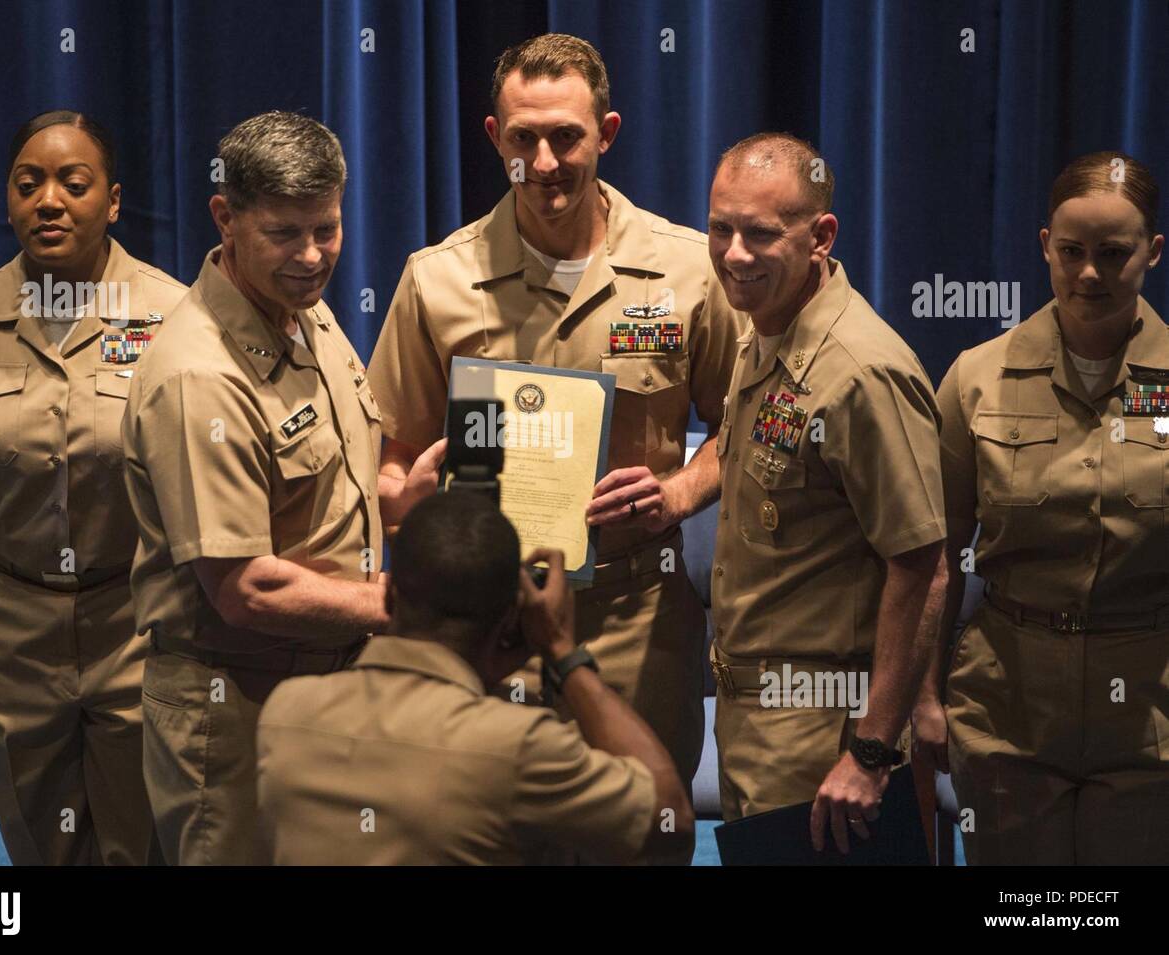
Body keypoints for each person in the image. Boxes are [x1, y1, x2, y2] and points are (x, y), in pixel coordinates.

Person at [368, 34, 744, 817]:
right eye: (522, 139)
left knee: (644, 828)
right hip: (483, 627)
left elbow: (742, 431)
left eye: (566, 137)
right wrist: (412, 497)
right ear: (492, 137)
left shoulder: (687, 270)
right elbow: (390, 461)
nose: (543, 163)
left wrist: (677, 495)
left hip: (639, 617)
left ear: (606, 133)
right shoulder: (436, 278)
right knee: (491, 838)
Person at [122, 111, 440, 865]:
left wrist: (400, 501)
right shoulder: (200, 375)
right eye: (285, 233)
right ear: (225, 218)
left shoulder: (303, 310)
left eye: (326, 228)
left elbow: (318, 495)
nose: (312, 255)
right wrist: (414, 602)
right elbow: (245, 588)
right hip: (237, 712)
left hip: (331, 686)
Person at [0, 110, 187, 864]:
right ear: (10, 200)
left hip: (135, 624)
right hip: (9, 626)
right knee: (40, 845)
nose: (49, 200)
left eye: (73, 182)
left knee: (142, 841)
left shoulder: (175, 315)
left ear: (113, 201)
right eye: (29, 184)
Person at [921, 151, 1169, 864]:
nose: (1089, 272)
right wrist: (922, 698)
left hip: (1148, 714)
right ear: (1044, 247)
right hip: (1008, 707)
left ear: (1152, 252)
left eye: (1113, 253)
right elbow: (934, 555)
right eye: (1071, 251)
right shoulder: (977, 377)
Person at [705, 133, 946, 854]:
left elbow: (922, 564)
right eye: (720, 228)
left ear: (821, 236)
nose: (734, 254)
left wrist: (872, 749)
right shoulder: (766, 332)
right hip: (762, 730)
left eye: (760, 234)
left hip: (829, 742)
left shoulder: (861, 370)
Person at [257, 491, 694, 865]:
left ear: (389, 595)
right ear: (511, 619)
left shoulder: (287, 710)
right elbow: (668, 816)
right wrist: (562, 651)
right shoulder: (516, 747)